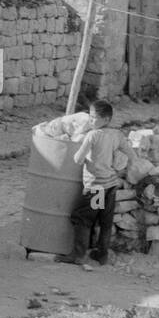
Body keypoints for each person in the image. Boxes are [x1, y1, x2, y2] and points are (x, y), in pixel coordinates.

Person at [58, 99, 126, 268]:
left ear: (106, 119)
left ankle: (78, 255)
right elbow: (129, 152)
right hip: (110, 185)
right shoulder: (116, 134)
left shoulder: (93, 135)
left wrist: (86, 158)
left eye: (95, 118)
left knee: (82, 217)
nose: (91, 121)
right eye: (91, 116)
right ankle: (101, 255)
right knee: (105, 221)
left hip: (97, 187)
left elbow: (78, 159)